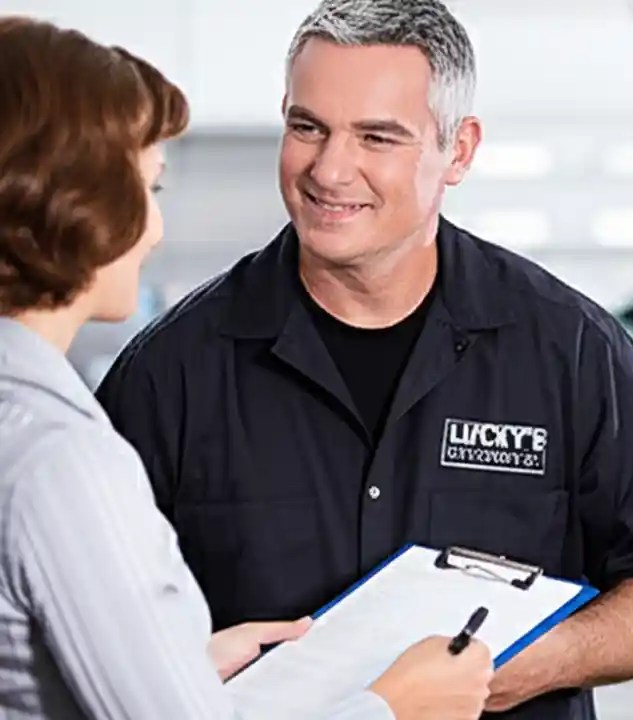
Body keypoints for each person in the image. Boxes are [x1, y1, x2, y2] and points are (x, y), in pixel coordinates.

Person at [96, 0, 633, 717]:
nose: (330, 170)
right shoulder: (172, 372)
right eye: (307, 127)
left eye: (377, 137)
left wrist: (521, 668)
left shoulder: (570, 349)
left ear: (458, 151)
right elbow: (90, 626)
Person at [0, 16, 493, 720]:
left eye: (377, 136)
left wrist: (175, 667)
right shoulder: (65, 459)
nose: (154, 228)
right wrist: (394, 709)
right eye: (149, 188)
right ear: (67, 203)